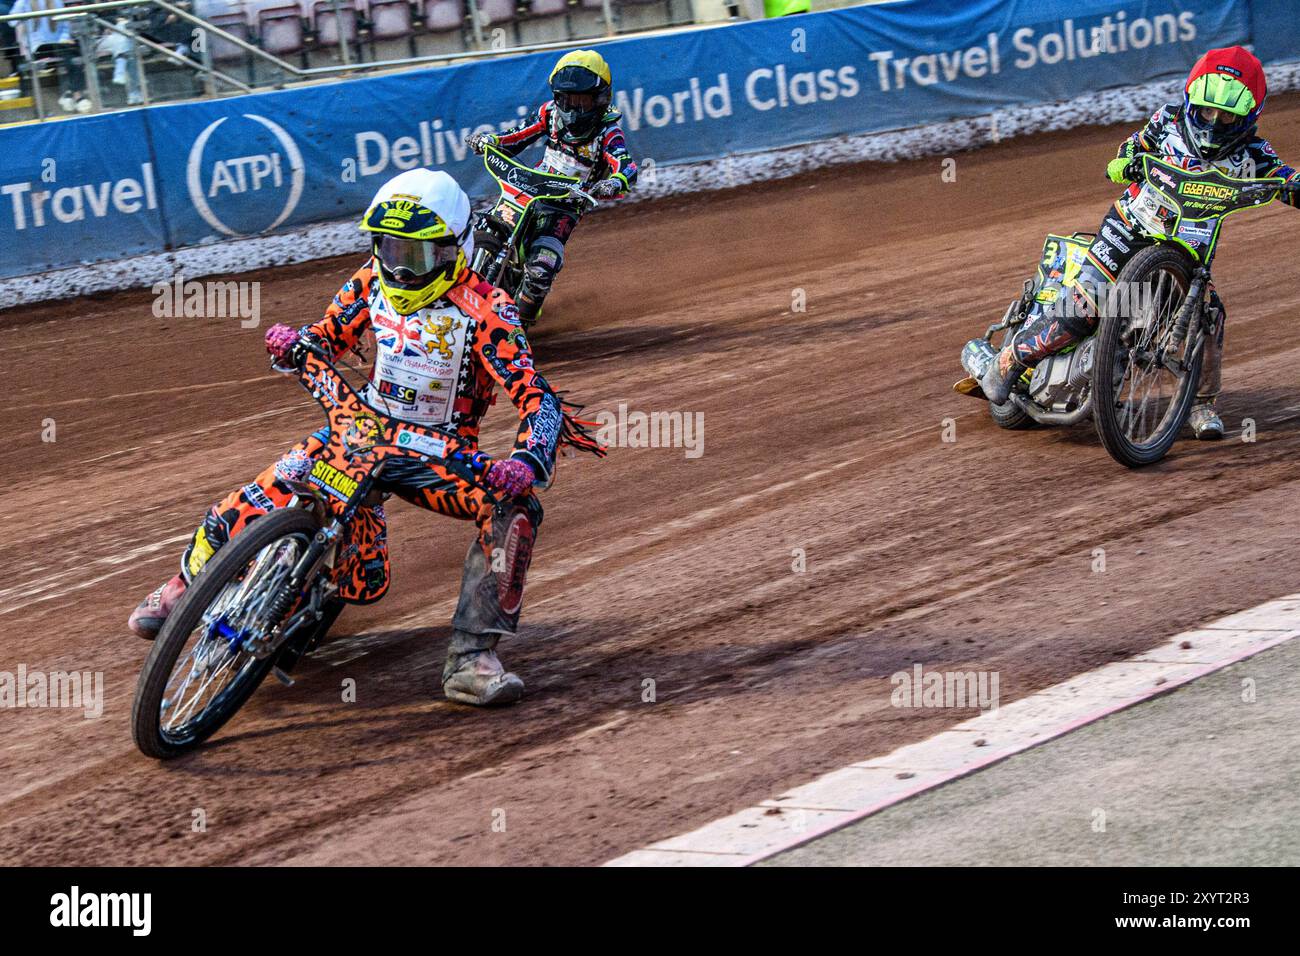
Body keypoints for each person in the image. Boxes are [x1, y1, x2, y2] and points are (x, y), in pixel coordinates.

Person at [127, 168, 604, 707]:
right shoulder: (369, 281)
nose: (400, 267)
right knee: (261, 495)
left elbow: (535, 394)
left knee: (515, 510)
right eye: (389, 249)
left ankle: (472, 658)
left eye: (416, 255)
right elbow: (328, 336)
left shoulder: (489, 311)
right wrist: (296, 343)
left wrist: (526, 459)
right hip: (361, 429)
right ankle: (185, 588)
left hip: (441, 458)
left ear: (456, 250)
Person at [977, 46, 1300, 439]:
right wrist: (1124, 161)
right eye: (1206, 112)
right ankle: (1010, 361)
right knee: (1085, 306)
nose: (1214, 124)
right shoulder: (1168, 122)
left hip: (1189, 253)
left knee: (1209, 316)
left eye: (1227, 116)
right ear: (1190, 103)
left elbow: (1284, 178)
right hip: (1129, 226)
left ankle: (1201, 404)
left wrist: (1293, 187)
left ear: (1249, 117)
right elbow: (1132, 148)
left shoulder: (1254, 155)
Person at [467, 50, 637, 326]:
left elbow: (626, 165)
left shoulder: (608, 132)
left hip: (566, 204)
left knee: (541, 266)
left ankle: (520, 325)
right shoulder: (550, 114)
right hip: (529, 188)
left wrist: (613, 182)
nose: (572, 108)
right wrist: (489, 141)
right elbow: (515, 137)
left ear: (600, 98)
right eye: (566, 99)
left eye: (581, 100)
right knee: (484, 231)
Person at [9, 0, 89, 112]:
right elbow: (12, 21)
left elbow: (65, 26)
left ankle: (71, 93)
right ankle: (75, 95)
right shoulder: (24, 2)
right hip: (37, 47)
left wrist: (64, 38)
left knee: (74, 55)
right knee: (70, 53)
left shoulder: (56, 1)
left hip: (58, 44)